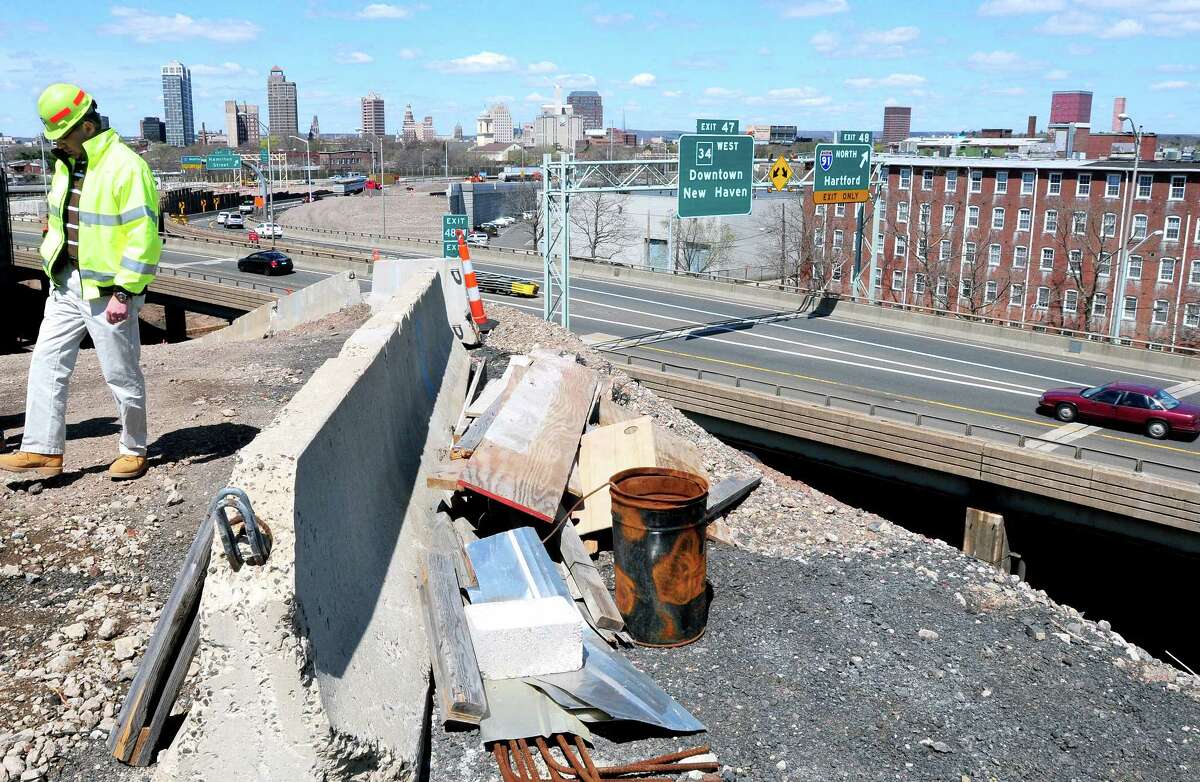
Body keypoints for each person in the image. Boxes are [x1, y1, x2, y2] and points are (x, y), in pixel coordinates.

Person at [0, 84, 161, 481]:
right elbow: (62, 221)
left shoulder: (125, 166)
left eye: (62, 137)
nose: (58, 145)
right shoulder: (66, 164)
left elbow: (145, 237)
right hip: (65, 284)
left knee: (120, 373)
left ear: (86, 127)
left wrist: (126, 291)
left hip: (109, 291)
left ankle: (133, 449)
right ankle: (42, 449)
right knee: (46, 363)